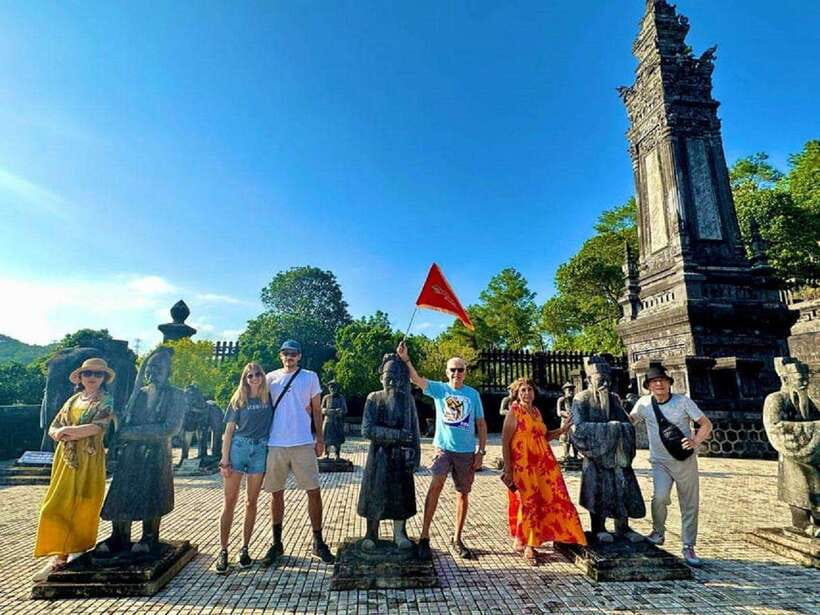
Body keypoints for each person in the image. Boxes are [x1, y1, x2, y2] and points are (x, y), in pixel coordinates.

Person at [396, 340, 488, 560]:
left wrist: (481, 452)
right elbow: (416, 379)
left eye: (461, 369)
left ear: (466, 372)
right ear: (447, 372)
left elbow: (482, 424)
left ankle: (457, 538)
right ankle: (425, 536)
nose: (457, 373)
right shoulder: (440, 389)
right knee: (435, 486)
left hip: (466, 452)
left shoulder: (473, 394)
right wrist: (406, 359)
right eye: (453, 369)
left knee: (463, 494)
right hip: (444, 449)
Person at [96, 346, 187, 554]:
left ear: (168, 371)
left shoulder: (176, 395)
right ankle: (119, 534)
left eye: (159, 367)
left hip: (156, 454)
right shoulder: (138, 395)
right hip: (131, 454)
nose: (153, 371)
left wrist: (131, 432)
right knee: (121, 494)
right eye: (150, 366)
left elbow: (169, 428)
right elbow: (123, 425)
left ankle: (149, 536)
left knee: (152, 495)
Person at [33, 358, 115, 580]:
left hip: (89, 458)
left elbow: (98, 427)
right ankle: (58, 554)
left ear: (104, 379)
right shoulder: (72, 401)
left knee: (83, 502)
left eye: (98, 375)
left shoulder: (105, 401)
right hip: (66, 457)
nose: (92, 378)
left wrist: (67, 431)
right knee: (55, 504)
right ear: (80, 377)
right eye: (88, 373)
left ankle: (71, 551)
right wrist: (59, 433)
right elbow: (53, 426)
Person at [629, 363, 713, 567]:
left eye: (662, 381)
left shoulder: (683, 402)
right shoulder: (643, 404)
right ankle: (658, 531)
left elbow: (706, 424)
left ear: (668, 383)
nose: (659, 384)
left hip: (684, 460)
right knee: (659, 497)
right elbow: (629, 422)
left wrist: (695, 441)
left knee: (689, 504)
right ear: (648, 386)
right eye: (654, 381)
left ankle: (688, 545)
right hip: (660, 462)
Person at [261, 340, 334, 565]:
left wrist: (319, 438)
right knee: (276, 492)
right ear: (280, 355)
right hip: (276, 442)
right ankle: (276, 542)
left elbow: (316, 409)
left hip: (302, 441)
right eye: (285, 353)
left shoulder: (310, 377)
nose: (289, 357)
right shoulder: (270, 378)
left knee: (313, 490)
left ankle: (318, 541)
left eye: (293, 354)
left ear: (299, 356)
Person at [501, 377, 586, 564]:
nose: (526, 393)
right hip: (523, 466)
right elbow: (505, 442)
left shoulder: (536, 412)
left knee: (552, 498)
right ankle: (529, 545)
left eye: (529, 389)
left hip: (544, 465)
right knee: (528, 502)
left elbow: (544, 436)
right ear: (516, 393)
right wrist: (508, 470)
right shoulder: (513, 412)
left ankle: (562, 535)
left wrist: (562, 430)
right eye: (522, 390)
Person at [570, 356, 646, 543]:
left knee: (622, 487)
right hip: (595, 455)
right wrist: (611, 429)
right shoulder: (581, 399)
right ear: (589, 379)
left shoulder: (613, 399)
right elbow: (577, 428)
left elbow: (627, 424)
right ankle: (598, 527)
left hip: (617, 454)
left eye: (607, 377)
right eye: (599, 377)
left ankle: (623, 526)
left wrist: (619, 429)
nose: (604, 381)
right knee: (597, 489)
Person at [358, 354, 421, 550]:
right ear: (381, 377)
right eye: (388, 375)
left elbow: (414, 431)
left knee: (400, 495)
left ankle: (399, 533)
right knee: (375, 493)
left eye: (396, 375)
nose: (392, 380)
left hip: (401, 457)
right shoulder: (373, 398)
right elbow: (367, 430)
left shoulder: (407, 399)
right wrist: (397, 435)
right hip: (378, 456)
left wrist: (415, 455)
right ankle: (371, 533)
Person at [214, 362, 272, 574]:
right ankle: (223, 550)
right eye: (250, 376)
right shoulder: (238, 399)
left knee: (251, 501)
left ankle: (245, 547)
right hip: (239, 447)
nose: (254, 378)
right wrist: (224, 459)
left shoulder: (269, 397)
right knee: (229, 500)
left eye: (258, 374)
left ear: (262, 376)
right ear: (245, 379)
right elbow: (228, 431)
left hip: (260, 449)